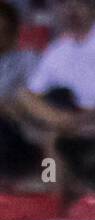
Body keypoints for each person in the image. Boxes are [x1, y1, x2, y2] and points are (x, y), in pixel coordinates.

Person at [12, 0, 95, 187]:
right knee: (25, 102)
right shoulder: (58, 48)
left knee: (56, 138)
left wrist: (81, 121)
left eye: (78, 5)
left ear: (93, 7)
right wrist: (61, 120)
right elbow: (30, 94)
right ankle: (52, 190)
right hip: (66, 123)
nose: (71, 11)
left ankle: (54, 193)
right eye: (65, 5)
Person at [0, 0, 39, 178]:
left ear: (14, 32)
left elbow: (38, 100)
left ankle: (51, 181)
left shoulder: (28, 59)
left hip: (20, 129)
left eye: (4, 31)